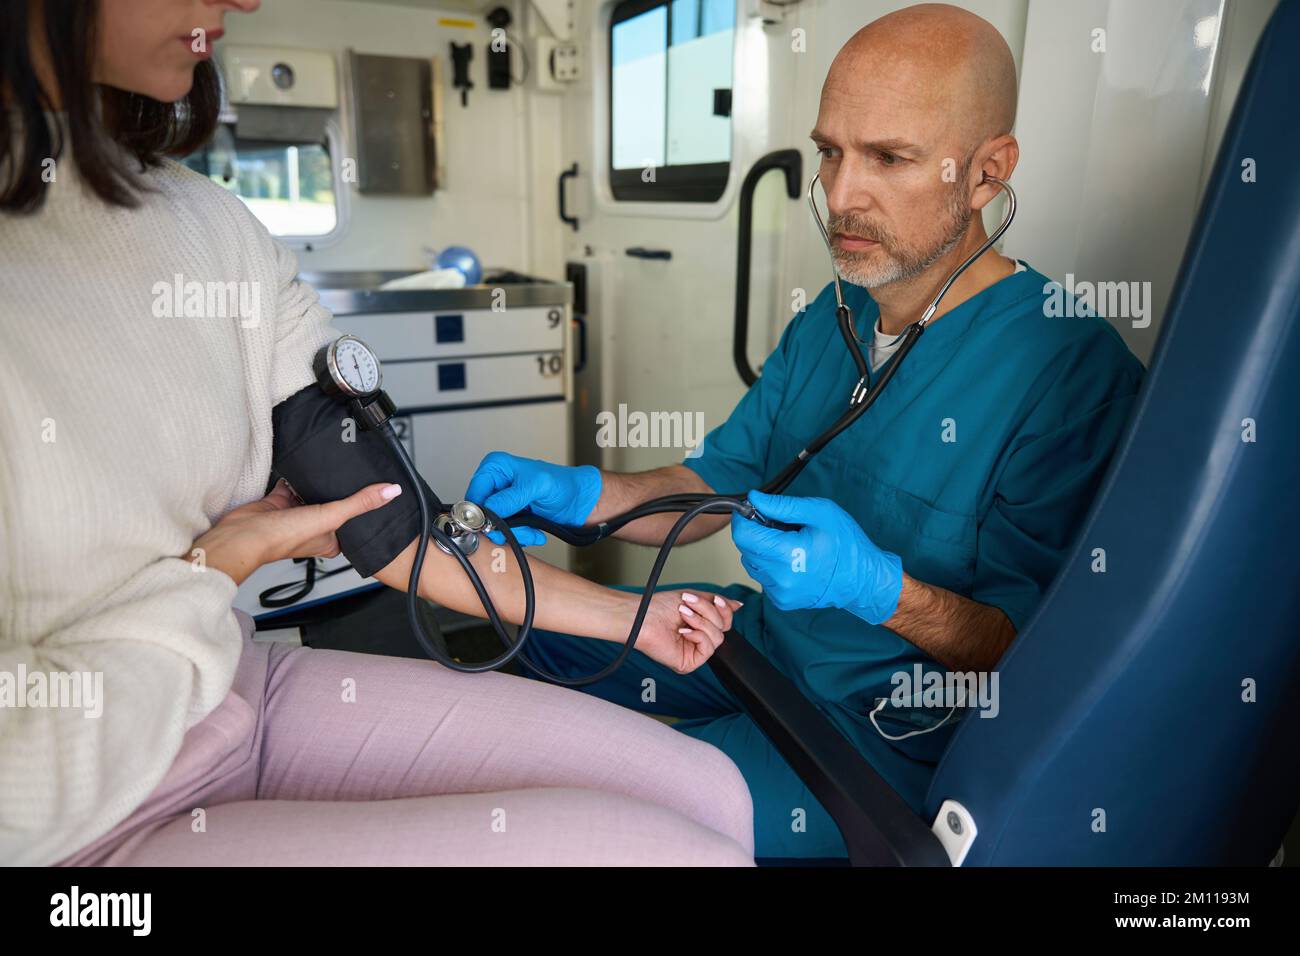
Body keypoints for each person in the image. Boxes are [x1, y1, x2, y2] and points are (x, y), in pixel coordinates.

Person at [0, 0, 754, 867]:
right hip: (77, 830)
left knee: (712, 793)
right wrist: (217, 568)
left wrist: (635, 620)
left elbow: (396, 522)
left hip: (229, 693)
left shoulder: (210, 227)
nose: (244, 1)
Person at [465, 3, 1146, 859]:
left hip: (880, 738)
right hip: (758, 647)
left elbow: (1033, 656)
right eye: (830, 151)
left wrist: (875, 588)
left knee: (570, 794)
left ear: (985, 174)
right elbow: (716, 485)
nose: (840, 194)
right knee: (539, 638)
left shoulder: (1071, 373)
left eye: (889, 158)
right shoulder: (829, 323)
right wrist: (590, 498)